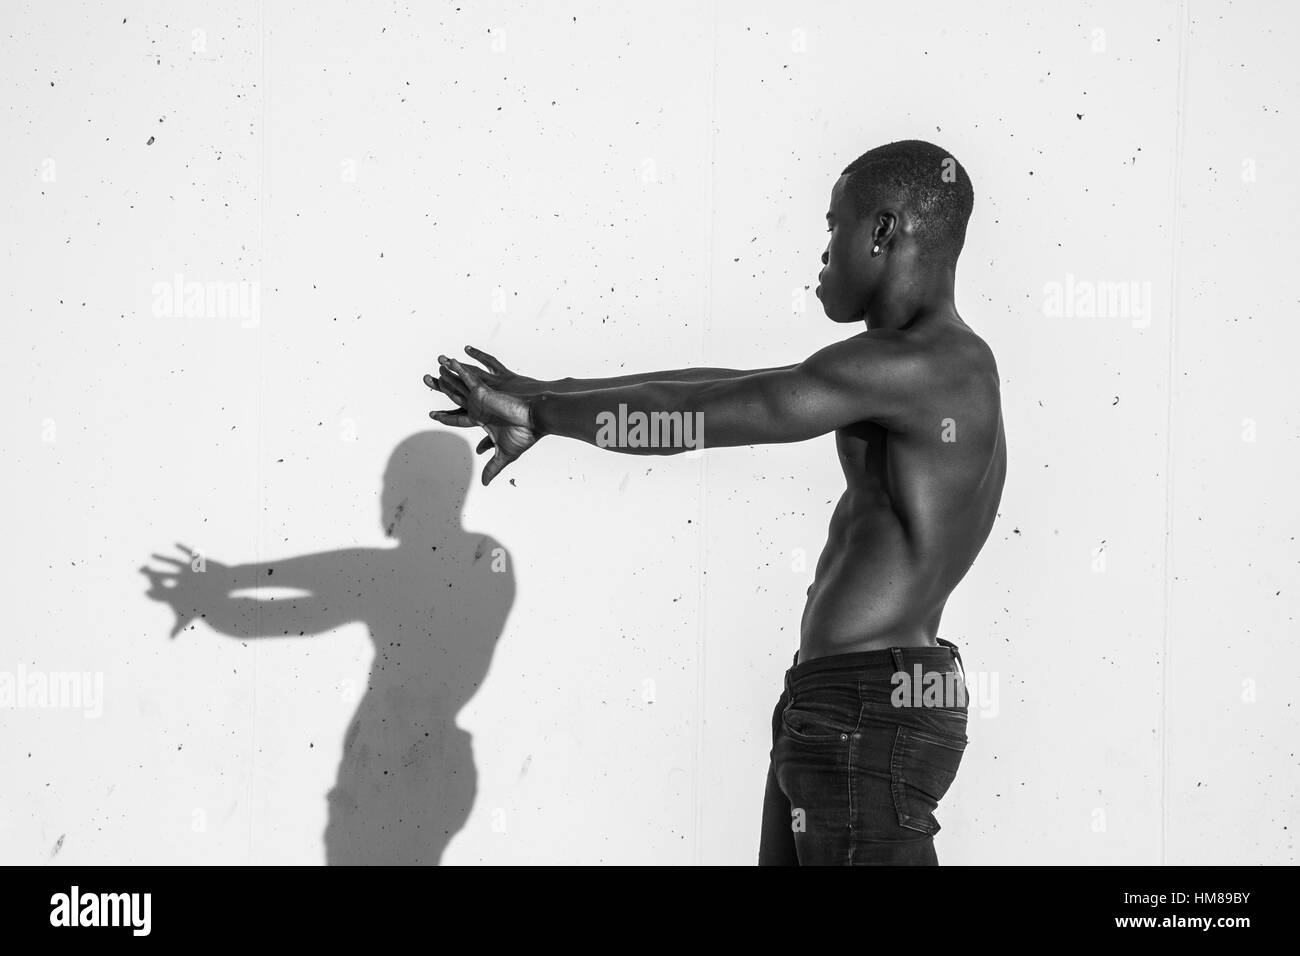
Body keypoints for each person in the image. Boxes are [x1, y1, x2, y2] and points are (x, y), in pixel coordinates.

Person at [426, 139, 1006, 865]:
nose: (822, 253)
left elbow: (699, 414)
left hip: (869, 707)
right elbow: (711, 386)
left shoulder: (920, 367)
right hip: (850, 701)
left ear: (881, 232)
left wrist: (543, 414)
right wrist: (542, 396)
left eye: (833, 225)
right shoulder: (909, 366)